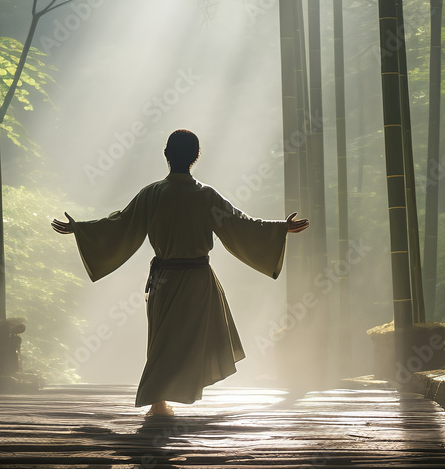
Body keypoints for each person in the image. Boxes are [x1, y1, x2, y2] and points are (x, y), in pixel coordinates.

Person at [52, 129, 309, 416]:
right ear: (196, 157)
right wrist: (279, 228)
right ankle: (161, 398)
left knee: (163, 340)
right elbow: (241, 224)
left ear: (166, 155)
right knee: (189, 341)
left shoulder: (152, 194)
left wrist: (81, 229)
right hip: (198, 279)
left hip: (164, 278)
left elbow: (119, 224)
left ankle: (158, 401)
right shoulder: (205, 195)